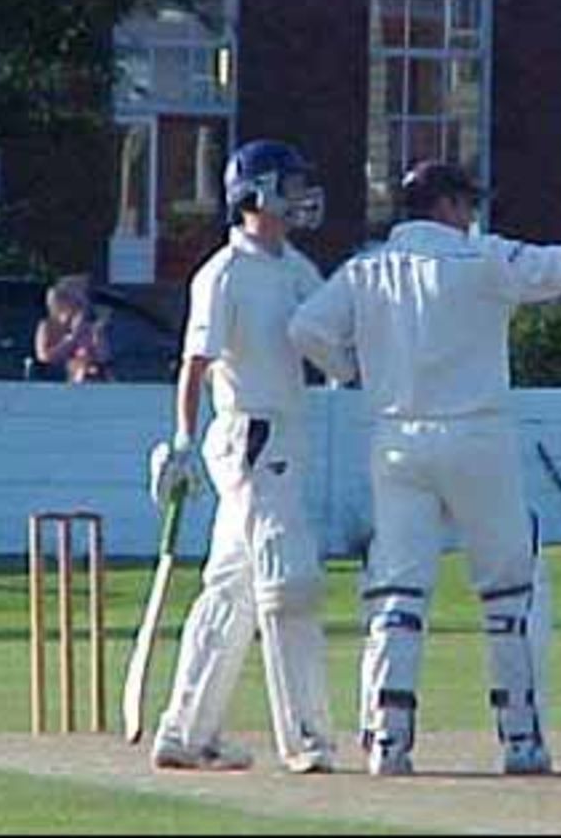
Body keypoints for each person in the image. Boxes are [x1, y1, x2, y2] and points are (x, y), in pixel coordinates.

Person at [287, 158, 561, 776]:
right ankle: (520, 740)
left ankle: (386, 741)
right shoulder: (481, 261)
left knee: (398, 593)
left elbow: (306, 329)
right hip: (478, 436)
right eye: (466, 203)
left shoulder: (366, 270)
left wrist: (352, 371)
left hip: (397, 439)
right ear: (447, 206)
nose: (473, 214)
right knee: (509, 592)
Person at [148, 139, 334, 774]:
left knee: (231, 589)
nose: (300, 193)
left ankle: (185, 730)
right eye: (288, 182)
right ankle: (305, 736)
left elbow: (333, 331)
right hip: (249, 436)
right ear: (253, 193)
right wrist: (181, 438)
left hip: (285, 436)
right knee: (290, 581)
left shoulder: (297, 269)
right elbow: (195, 364)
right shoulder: (223, 272)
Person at [33, 276, 113, 383]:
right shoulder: (47, 325)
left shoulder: (90, 327)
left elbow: (104, 358)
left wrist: (97, 335)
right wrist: (72, 337)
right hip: (55, 379)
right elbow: (44, 357)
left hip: (89, 380)